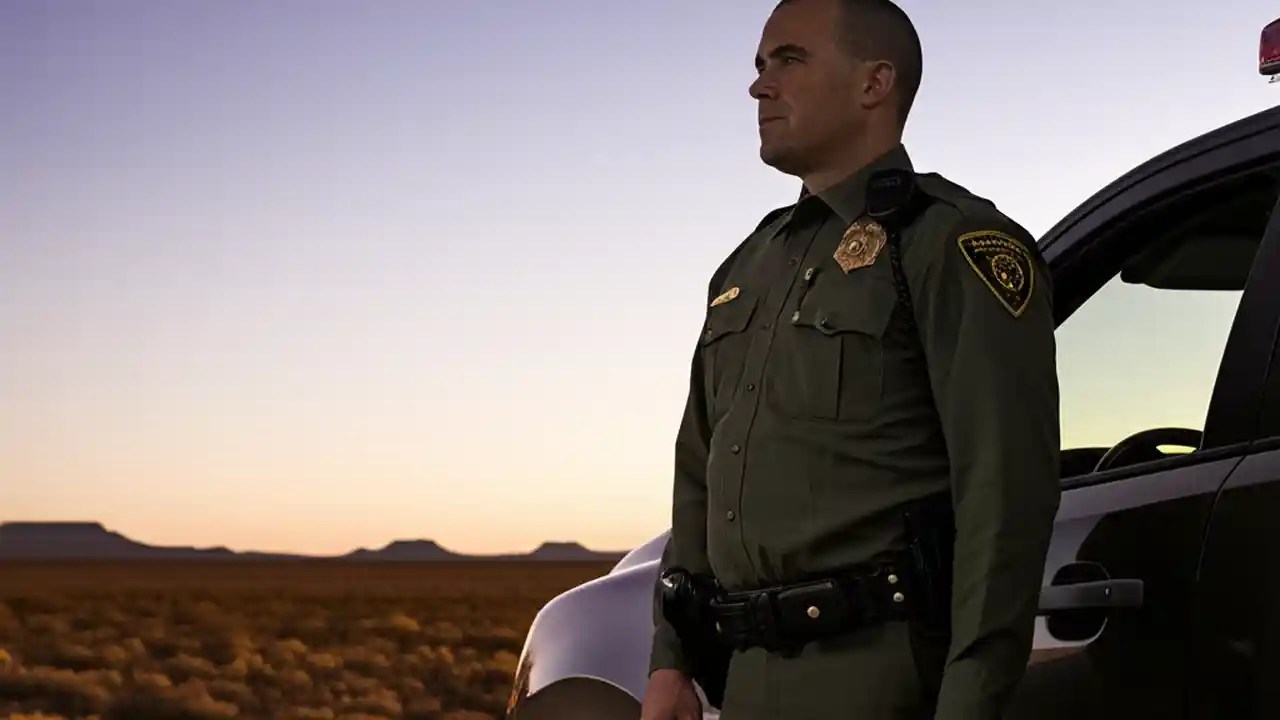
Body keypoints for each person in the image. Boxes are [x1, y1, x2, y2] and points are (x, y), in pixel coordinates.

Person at [640, 0, 1061, 718]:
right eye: (759, 65)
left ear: (874, 83)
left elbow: (1004, 499)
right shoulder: (746, 267)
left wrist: (970, 702)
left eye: (789, 60)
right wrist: (672, 661)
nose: (759, 85)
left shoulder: (947, 245)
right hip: (746, 678)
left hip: (881, 672)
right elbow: (699, 474)